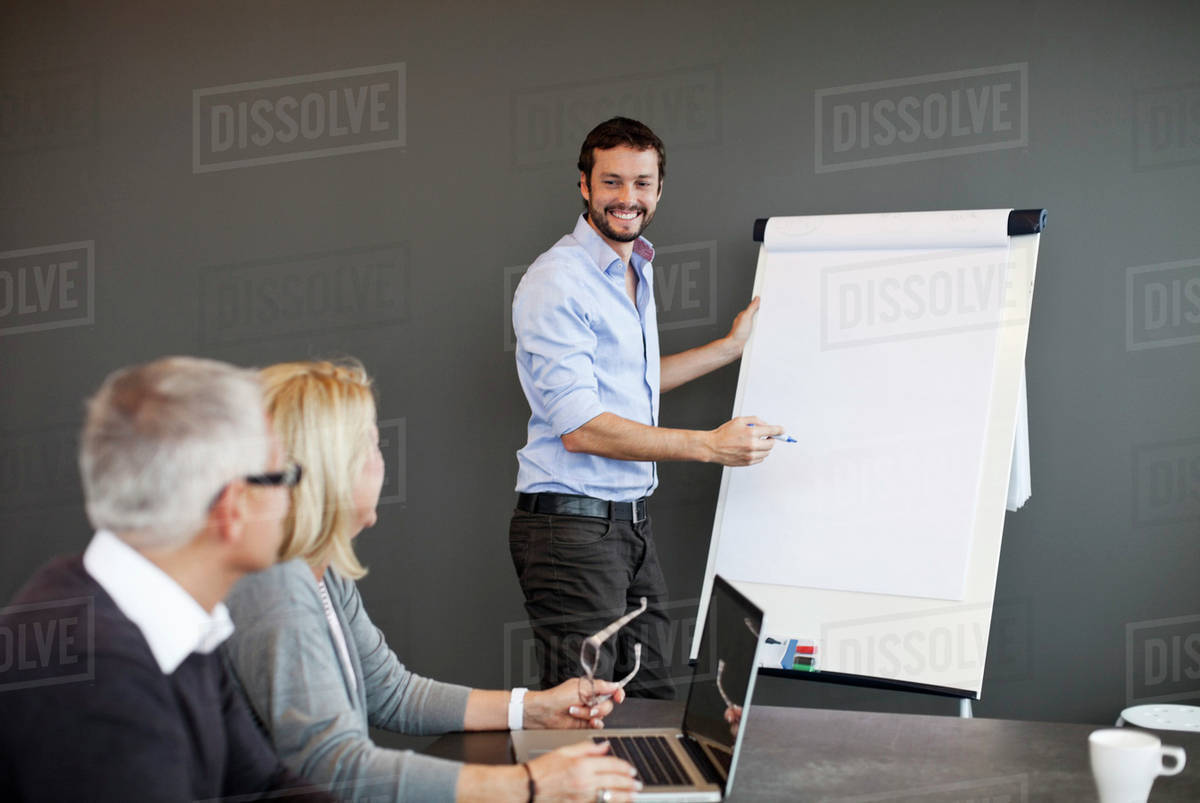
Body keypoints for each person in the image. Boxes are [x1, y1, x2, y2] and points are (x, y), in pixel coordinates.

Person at [223, 359, 641, 803]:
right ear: (334, 467)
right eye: (372, 442)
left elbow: (391, 693)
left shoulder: (318, 566)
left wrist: (534, 711)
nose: (381, 457)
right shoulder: (275, 584)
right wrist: (531, 785)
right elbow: (337, 766)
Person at [509, 117, 784, 697]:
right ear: (584, 185)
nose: (627, 198)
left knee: (650, 702)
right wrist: (709, 445)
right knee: (585, 711)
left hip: (627, 524)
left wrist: (727, 350)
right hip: (571, 530)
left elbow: (626, 385)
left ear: (658, 190)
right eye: (612, 182)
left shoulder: (636, 267)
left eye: (642, 182)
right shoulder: (558, 281)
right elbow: (582, 427)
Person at [0, 357, 335, 802]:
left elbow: (264, 786)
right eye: (283, 476)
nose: (292, 499)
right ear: (232, 508)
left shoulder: (178, 624)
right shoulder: (93, 676)